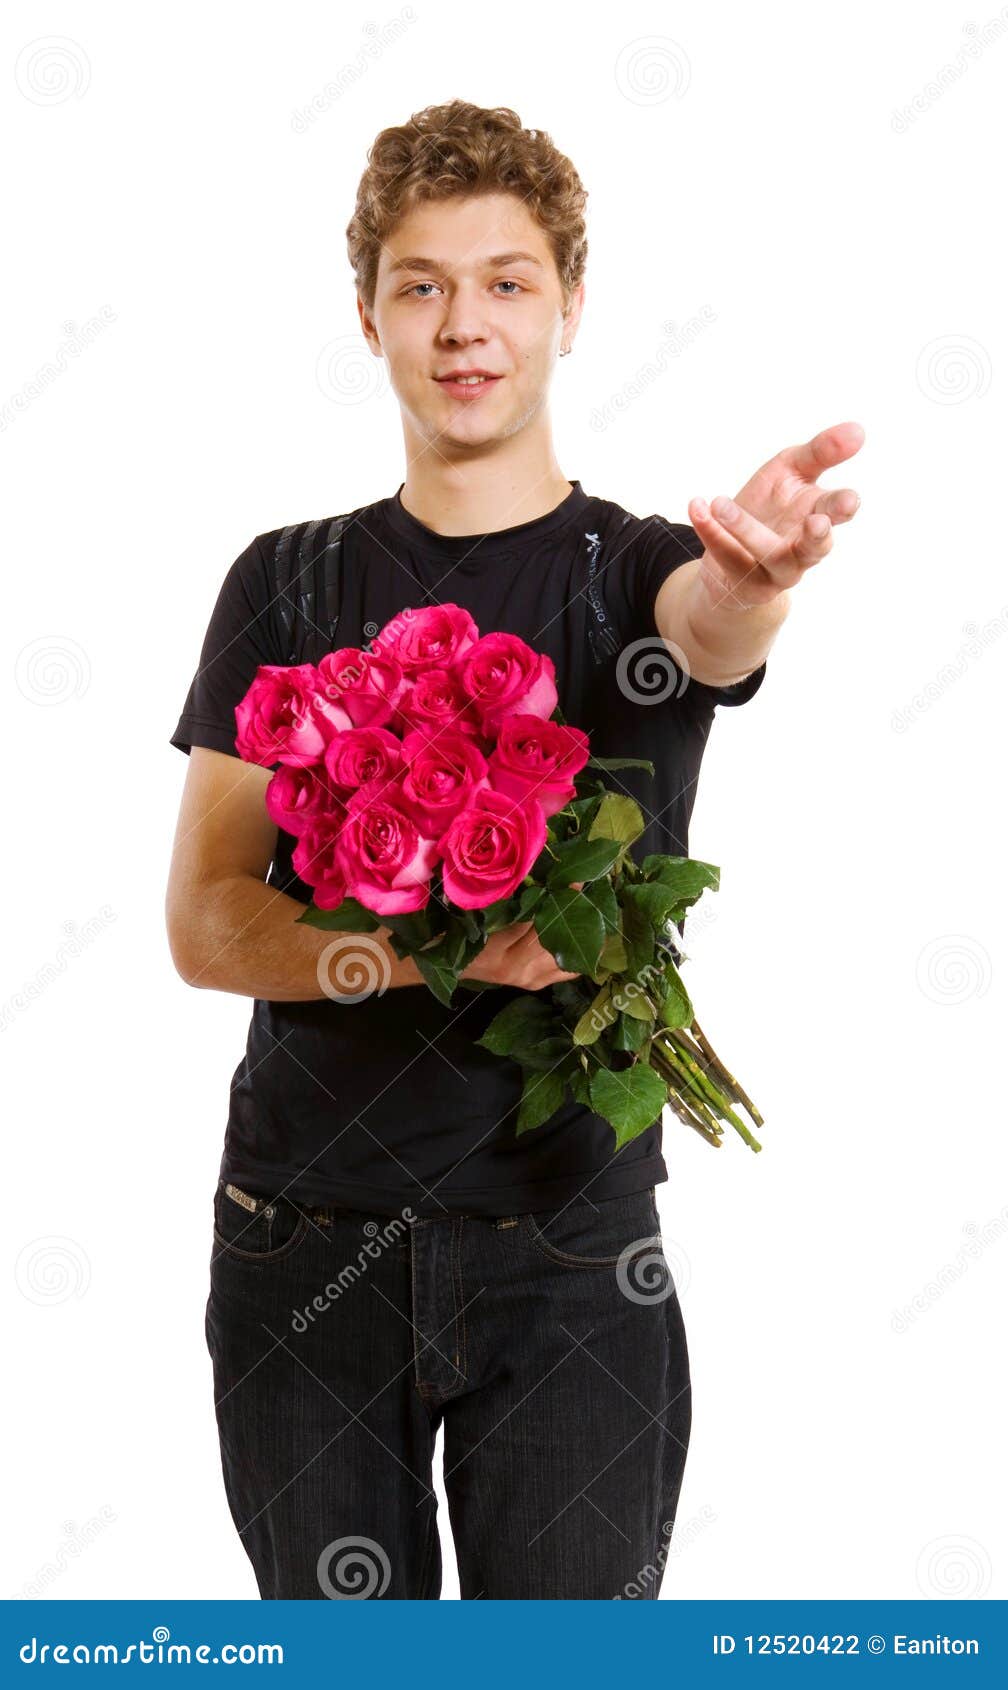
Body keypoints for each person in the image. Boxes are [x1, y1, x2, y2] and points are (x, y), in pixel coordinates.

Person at [165, 98, 862, 1600]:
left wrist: (758, 580)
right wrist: (431, 948)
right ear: (369, 315)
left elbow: (712, 630)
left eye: (505, 280)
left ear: (570, 305)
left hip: (569, 1259)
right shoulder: (282, 585)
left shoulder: (639, 571)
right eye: (421, 284)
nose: (463, 324)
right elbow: (206, 922)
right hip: (301, 1250)